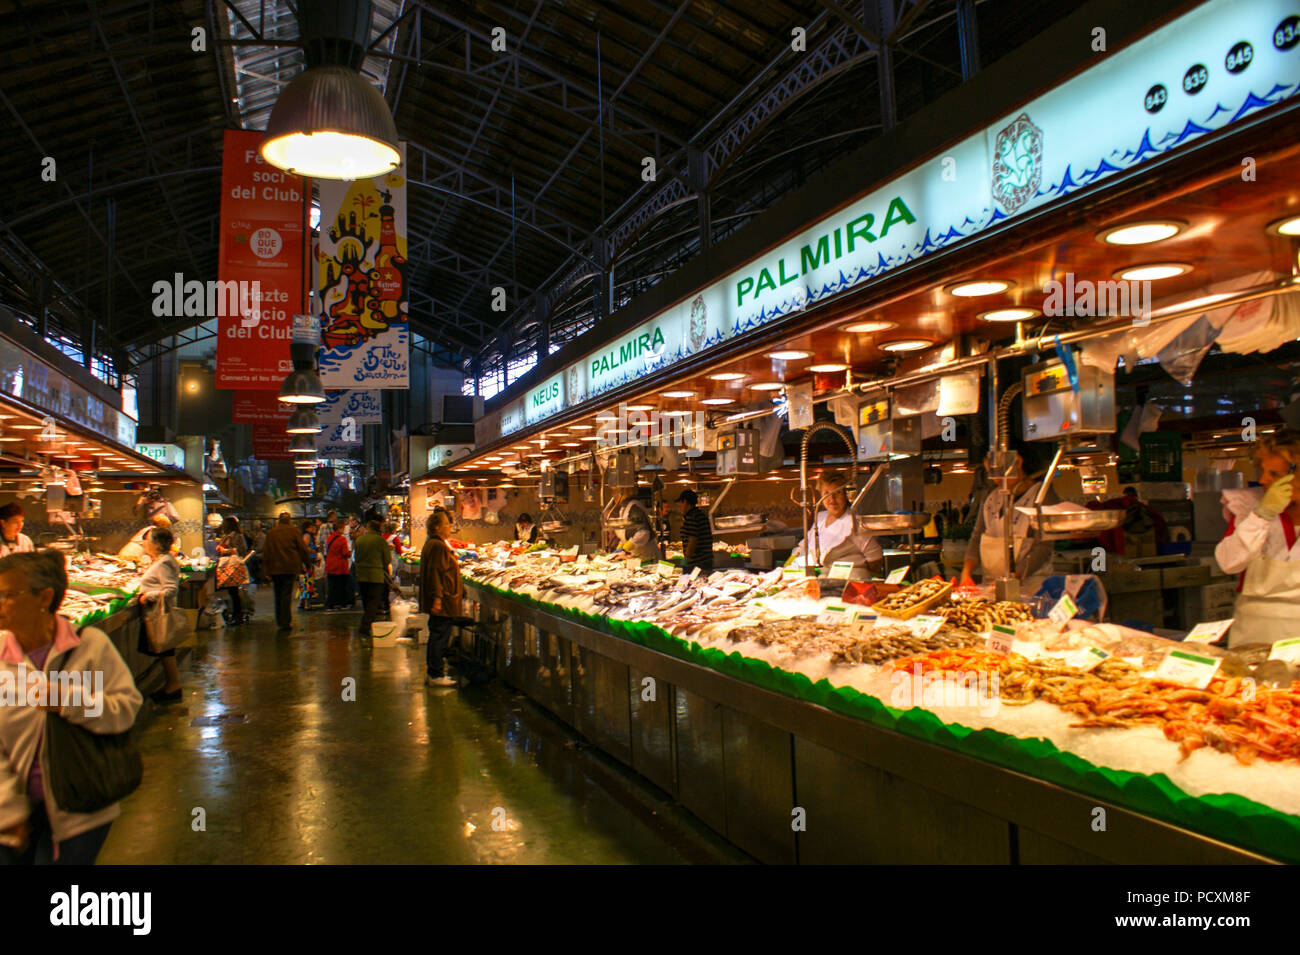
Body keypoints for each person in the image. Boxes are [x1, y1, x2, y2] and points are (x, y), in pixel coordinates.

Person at [0, 550, 143, 864]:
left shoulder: (89, 646)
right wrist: (7, 808)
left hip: (83, 806)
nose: (0, 603)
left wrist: (68, 701)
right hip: (13, 814)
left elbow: (124, 710)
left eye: (7, 595)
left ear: (45, 597)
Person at [1216, 429, 1300, 646]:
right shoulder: (1248, 506)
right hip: (1253, 633)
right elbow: (1228, 563)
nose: (1262, 480)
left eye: (1275, 475)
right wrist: (1262, 515)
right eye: (1263, 471)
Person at [960, 444, 1061, 587]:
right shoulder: (990, 496)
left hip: (1031, 586)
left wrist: (1013, 578)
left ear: (1018, 462)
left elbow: (1042, 548)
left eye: (998, 472)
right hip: (990, 585)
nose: (995, 479)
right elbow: (977, 538)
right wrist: (966, 573)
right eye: (991, 473)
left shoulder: (1042, 496)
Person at [789, 472, 884, 576]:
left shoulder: (853, 522)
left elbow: (875, 556)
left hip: (853, 580)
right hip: (826, 580)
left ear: (846, 495)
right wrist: (788, 565)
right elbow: (802, 548)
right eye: (827, 493)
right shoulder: (820, 518)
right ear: (821, 495)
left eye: (837, 492)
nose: (832, 499)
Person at [137, 527, 184, 703]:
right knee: (164, 651)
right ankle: (171, 685)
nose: (144, 543)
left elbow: (171, 589)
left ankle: (173, 687)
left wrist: (148, 596)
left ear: (156, 544)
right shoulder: (161, 560)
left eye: (147, 540)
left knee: (166, 651)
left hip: (160, 613)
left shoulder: (164, 562)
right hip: (156, 612)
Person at [419, 509, 462, 687]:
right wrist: (437, 599)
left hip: (441, 600)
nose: (449, 527)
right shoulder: (437, 546)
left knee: (437, 634)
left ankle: (433, 672)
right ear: (437, 527)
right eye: (446, 524)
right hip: (442, 601)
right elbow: (436, 573)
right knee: (439, 636)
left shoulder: (432, 543)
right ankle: (436, 674)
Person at [262, 512, 310, 631]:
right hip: (290, 567)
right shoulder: (294, 531)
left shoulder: (271, 533)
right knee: (286, 594)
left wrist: (265, 570)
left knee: (277, 594)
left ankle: (279, 620)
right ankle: (285, 621)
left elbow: (266, 551)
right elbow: (302, 549)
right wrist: (308, 564)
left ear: (278, 520)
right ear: (289, 520)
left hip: (275, 568)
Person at [353, 520, 393, 637]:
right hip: (376, 575)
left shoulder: (359, 540)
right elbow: (387, 560)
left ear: (368, 528)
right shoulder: (380, 541)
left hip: (361, 574)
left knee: (366, 601)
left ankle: (368, 623)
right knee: (374, 602)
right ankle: (365, 626)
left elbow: (356, 557)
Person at [215, 517, 250, 625]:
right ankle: (235, 614)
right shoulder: (226, 537)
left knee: (234, 592)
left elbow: (242, 551)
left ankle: (237, 615)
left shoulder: (237, 536)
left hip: (232, 567)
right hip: (227, 567)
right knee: (232, 592)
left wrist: (226, 550)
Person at [615, 488, 661, 561]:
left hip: (647, 557)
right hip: (636, 557)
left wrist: (626, 547)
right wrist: (621, 544)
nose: (613, 496)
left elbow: (643, 533)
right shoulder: (625, 508)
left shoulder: (634, 508)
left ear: (622, 494)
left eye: (615, 492)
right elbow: (628, 532)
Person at [676, 490, 714, 574]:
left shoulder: (691, 517)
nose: (680, 506)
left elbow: (692, 541)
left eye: (680, 503)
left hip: (697, 564)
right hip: (706, 560)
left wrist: (685, 562)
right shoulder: (701, 515)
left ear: (685, 502)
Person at [323, 518, 352, 610]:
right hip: (340, 565)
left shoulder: (329, 538)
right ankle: (342, 603)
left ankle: (330, 604)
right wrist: (350, 553)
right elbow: (345, 553)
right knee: (342, 585)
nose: (344, 530)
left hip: (330, 564)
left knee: (332, 585)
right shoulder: (342, 539)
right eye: (343, 528)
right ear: (339, 528)